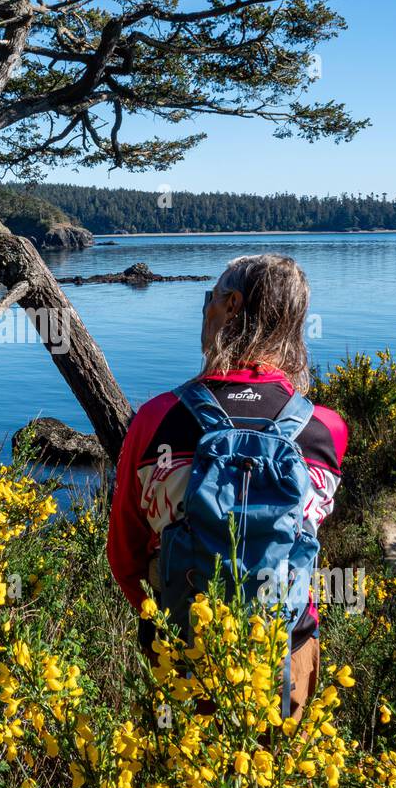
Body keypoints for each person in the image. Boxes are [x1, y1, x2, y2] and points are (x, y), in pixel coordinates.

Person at [107, 253, 348, 719]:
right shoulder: (325, 429)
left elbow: (126, 557)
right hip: (285, 652)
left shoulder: (155, 420)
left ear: (232, 305)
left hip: (178, 654)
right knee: (274, 783)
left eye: (209, 299)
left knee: (179, 780)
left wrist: (171, 621)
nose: (204, 310)